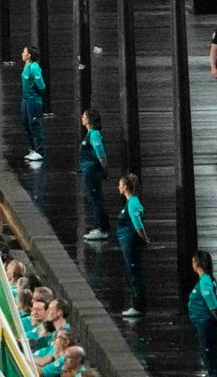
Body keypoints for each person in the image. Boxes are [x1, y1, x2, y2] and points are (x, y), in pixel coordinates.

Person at [115, 172, 149, 319]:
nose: (118, 187)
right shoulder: (130, 202)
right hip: (126, 242)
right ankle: (136, 303)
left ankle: (139, 305)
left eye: (120, 184)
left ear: (126, 187)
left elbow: (137, 224)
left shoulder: (133, 202)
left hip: (130, 243)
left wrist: (144, 238)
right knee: (131, 272)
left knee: (135, 273)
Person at [78, 109, 113, 241]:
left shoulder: (94, 135)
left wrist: (105, 169)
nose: (82, 118)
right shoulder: (90, 134)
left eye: (84, 116)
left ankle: (102, 228)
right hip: (89, 170)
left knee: (96, 199)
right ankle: (99, 225)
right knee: (94, 199)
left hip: (92, 171)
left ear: (89, 120)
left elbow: (101, 154)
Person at [188, 249, 217, 377]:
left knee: (208, 352)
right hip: (202, 322)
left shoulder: (205, 281)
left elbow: (211, 301)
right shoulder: (207, 279)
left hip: (205, 322)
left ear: (196, 263)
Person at [19, 46, 46, 163]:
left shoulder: (34, 67)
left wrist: (35, 94)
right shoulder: (26, 66)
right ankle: (33, 148)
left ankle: (40, 151)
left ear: (29, 55)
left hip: (33, 101)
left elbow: (41, 85)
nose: (22, 54)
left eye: (24, 52)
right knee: (26, 123)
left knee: (34, 124)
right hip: (25, 100)